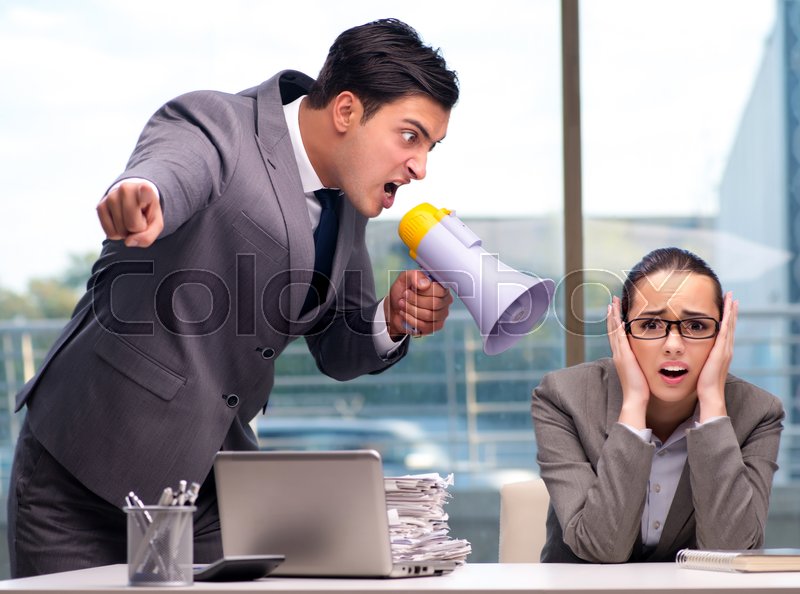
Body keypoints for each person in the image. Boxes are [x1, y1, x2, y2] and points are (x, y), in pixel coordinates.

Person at [8, 18, 459, 577]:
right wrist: (144, 196)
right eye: (410, 136)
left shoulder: (346, 210)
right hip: (82, 473)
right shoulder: (215, 122)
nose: (420, 167)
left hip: (201, 490)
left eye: (431, 146)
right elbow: (171, 169)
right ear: (346, 111)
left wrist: (390, 319)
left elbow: (340, 349)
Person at [531, 247, 784, 563]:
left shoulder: (758, 413)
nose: (674, 346)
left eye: (696, 326)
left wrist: (713, 405)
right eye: (650, 325)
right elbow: (601, 547)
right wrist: (634, 404)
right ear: (621, 332)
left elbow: (731, 550)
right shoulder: (562, 398)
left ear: (723, 335)